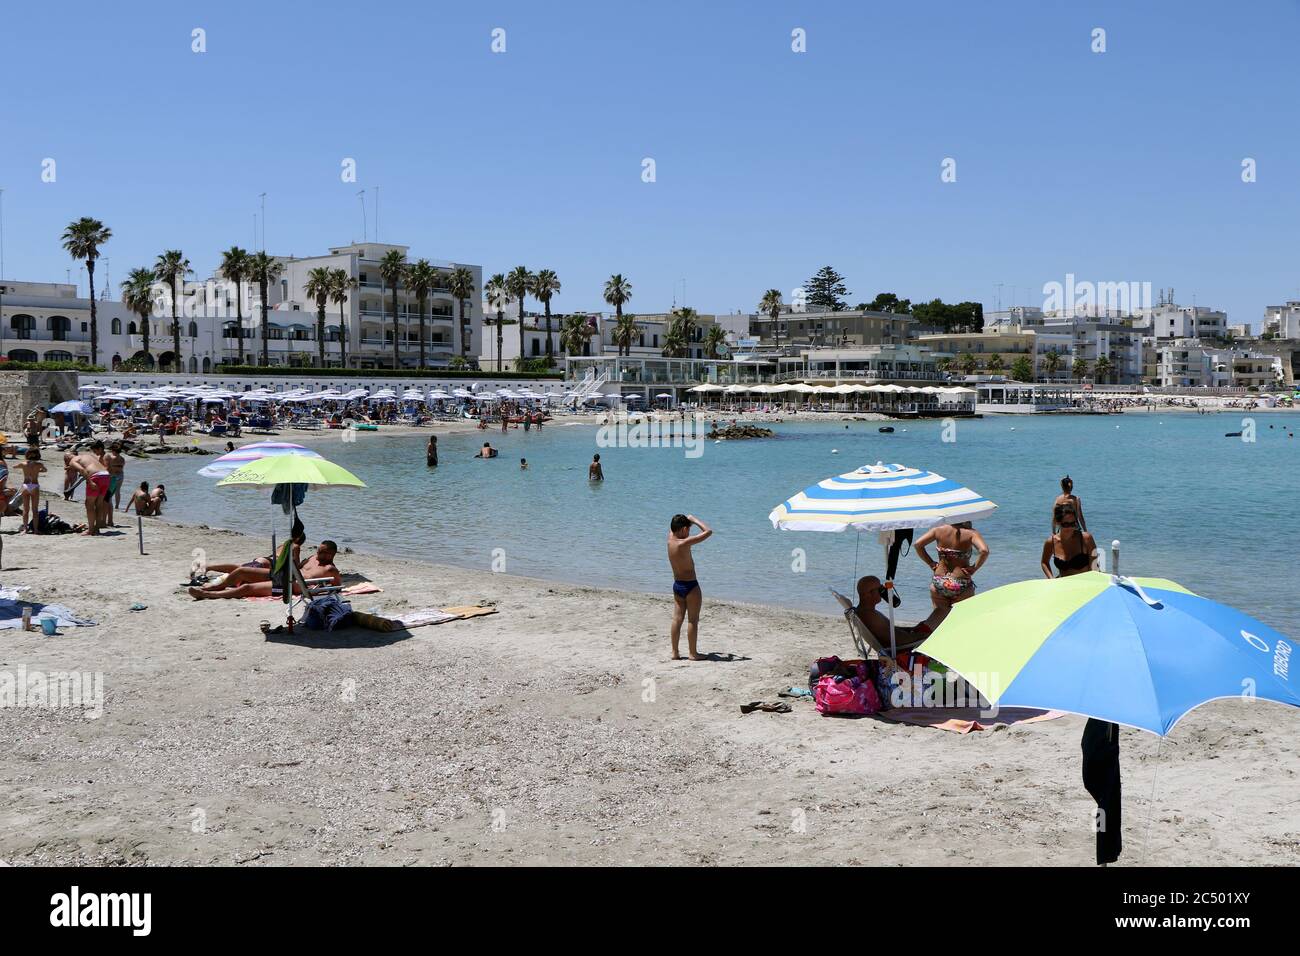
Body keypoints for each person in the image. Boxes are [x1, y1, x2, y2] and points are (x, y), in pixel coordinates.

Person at [189, 540, 342, 600]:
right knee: (241, 571)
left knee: (247, 587)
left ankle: (208, 594)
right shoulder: (312, 558)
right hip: (284, 575)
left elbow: (338, 588)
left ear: (332, 554)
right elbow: (297, 567)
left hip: (289, 586)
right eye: (318, 550)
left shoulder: (330, 569)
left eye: (322, 552)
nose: (318, 554)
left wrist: (317, 589)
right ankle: (217, 586)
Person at [854, 575, 949, 647]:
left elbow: (891, 631)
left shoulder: (867, 611)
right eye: (879, 589)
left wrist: (912, 629)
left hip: (909, 638)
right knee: (945, 611)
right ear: (868, 594)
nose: (883, 592)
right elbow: (898, 641)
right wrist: (923, 635)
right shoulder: (870, 616)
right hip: (906, 646)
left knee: (942, 611)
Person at [667, 513, 712, 660]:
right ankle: (693, 653)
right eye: (687, 529)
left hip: (677, 585)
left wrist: (685, 522)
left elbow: (674, 527)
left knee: (677, 619)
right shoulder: (683, 543)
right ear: (681, 530)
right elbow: (708, 531)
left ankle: (675, 652)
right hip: (691, 586)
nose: (689, 533)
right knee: (693, 620)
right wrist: (695, 520)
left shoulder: (670, 540)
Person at [916, 521, 989, 608]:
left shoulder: (937, 530)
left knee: (940, 617)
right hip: (960, 582)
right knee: (963, 618)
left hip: (939, 580)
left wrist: (930, 563)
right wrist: (974, 568)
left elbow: (918, 545)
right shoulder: (971, 533)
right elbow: (984, 551)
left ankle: (928, 622)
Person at [1041, 502, 1097, 578]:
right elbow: (1044, 562)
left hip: (1085, 584)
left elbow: (1094, 567)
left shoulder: (1086, 539)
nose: (1070, 528)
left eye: (1073, 524)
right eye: (1066, 524)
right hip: (1064, 585)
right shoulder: (1051, 542)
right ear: (1058, 523)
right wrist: (1051, 579)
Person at [69, 440, 112, 535]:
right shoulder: (88, 456)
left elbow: (82, 470)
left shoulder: (73, 461)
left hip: (96, 477)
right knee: (99, 503)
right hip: (106, 475)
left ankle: (91, 530)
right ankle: (97, 528)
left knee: (89, 504)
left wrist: (90, 482)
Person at [17, 447, 46, 534]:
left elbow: (14, 466)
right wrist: (38, 471)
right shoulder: (39, 464)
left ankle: (25, 529)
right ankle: (36, 530)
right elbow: (45, 470)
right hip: (34, 485)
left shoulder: (23, 464)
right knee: (35, 509)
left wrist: (24, 469)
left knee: (25, 509)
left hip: (25, 485)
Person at [104, 441, 126, 525]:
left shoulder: (111, 457)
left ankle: (113, 506)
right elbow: (122, 466)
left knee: (109, 495)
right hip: (120, 475)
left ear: (113, 450)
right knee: (118, 491)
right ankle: (117, 505)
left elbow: (107, 468)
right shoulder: (122, 458)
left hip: (112, 476)